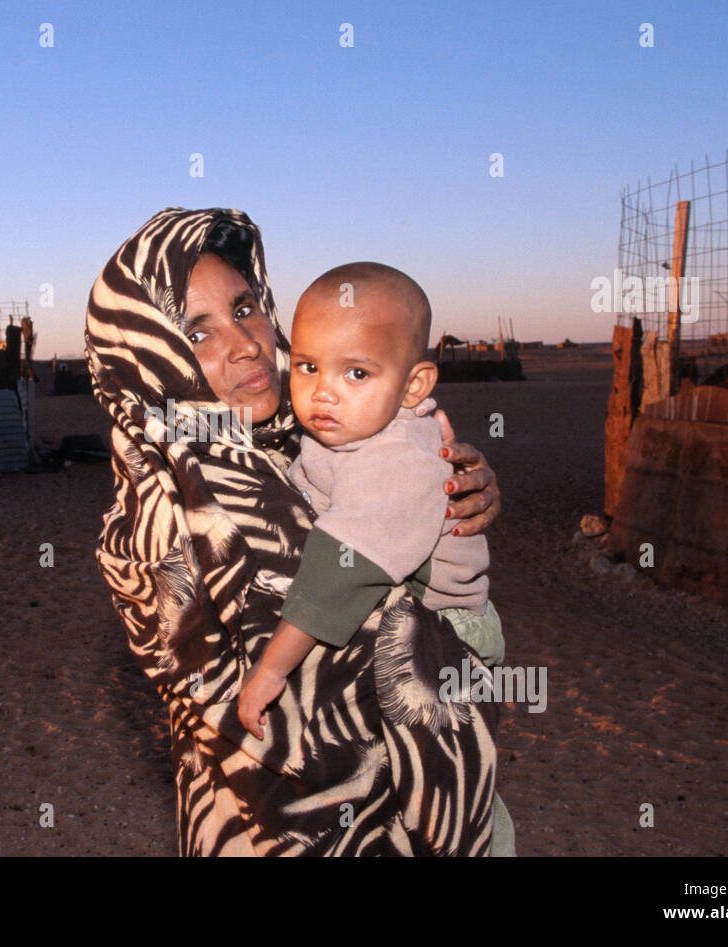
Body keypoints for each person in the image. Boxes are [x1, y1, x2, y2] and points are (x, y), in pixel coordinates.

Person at [86, 208, 504, 855]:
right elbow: (352, 676)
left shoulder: (283, 439)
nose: (247, 342)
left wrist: (449, 488)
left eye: (246, 306)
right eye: (197, 333)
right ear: (150, 358)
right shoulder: (182, 514)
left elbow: (376, 486)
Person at [236, 262, 514, 855]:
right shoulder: (345, 425)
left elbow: (342, 573)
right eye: (308, 366)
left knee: (454, 803)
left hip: (447, 636)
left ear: (414, 387)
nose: (323, 391)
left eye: (356, 372)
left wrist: (271, 669)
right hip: (399, 621)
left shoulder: (398, 457)